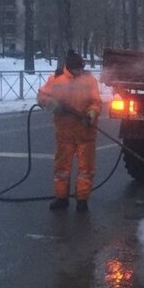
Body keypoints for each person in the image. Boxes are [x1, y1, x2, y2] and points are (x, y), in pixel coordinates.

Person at [37, 50, 102, 212]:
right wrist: (52, 104)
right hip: (64, 132)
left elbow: (96, 102)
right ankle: (61, 198)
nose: (79, 72)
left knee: (86, 169)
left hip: (85, 132)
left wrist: (91, 114)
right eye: (76, 69)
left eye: (81, 68)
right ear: (69, 67)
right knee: (62, 168)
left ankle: (82, 200)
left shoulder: (89, 80)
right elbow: (42, 97)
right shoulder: (56, 79)